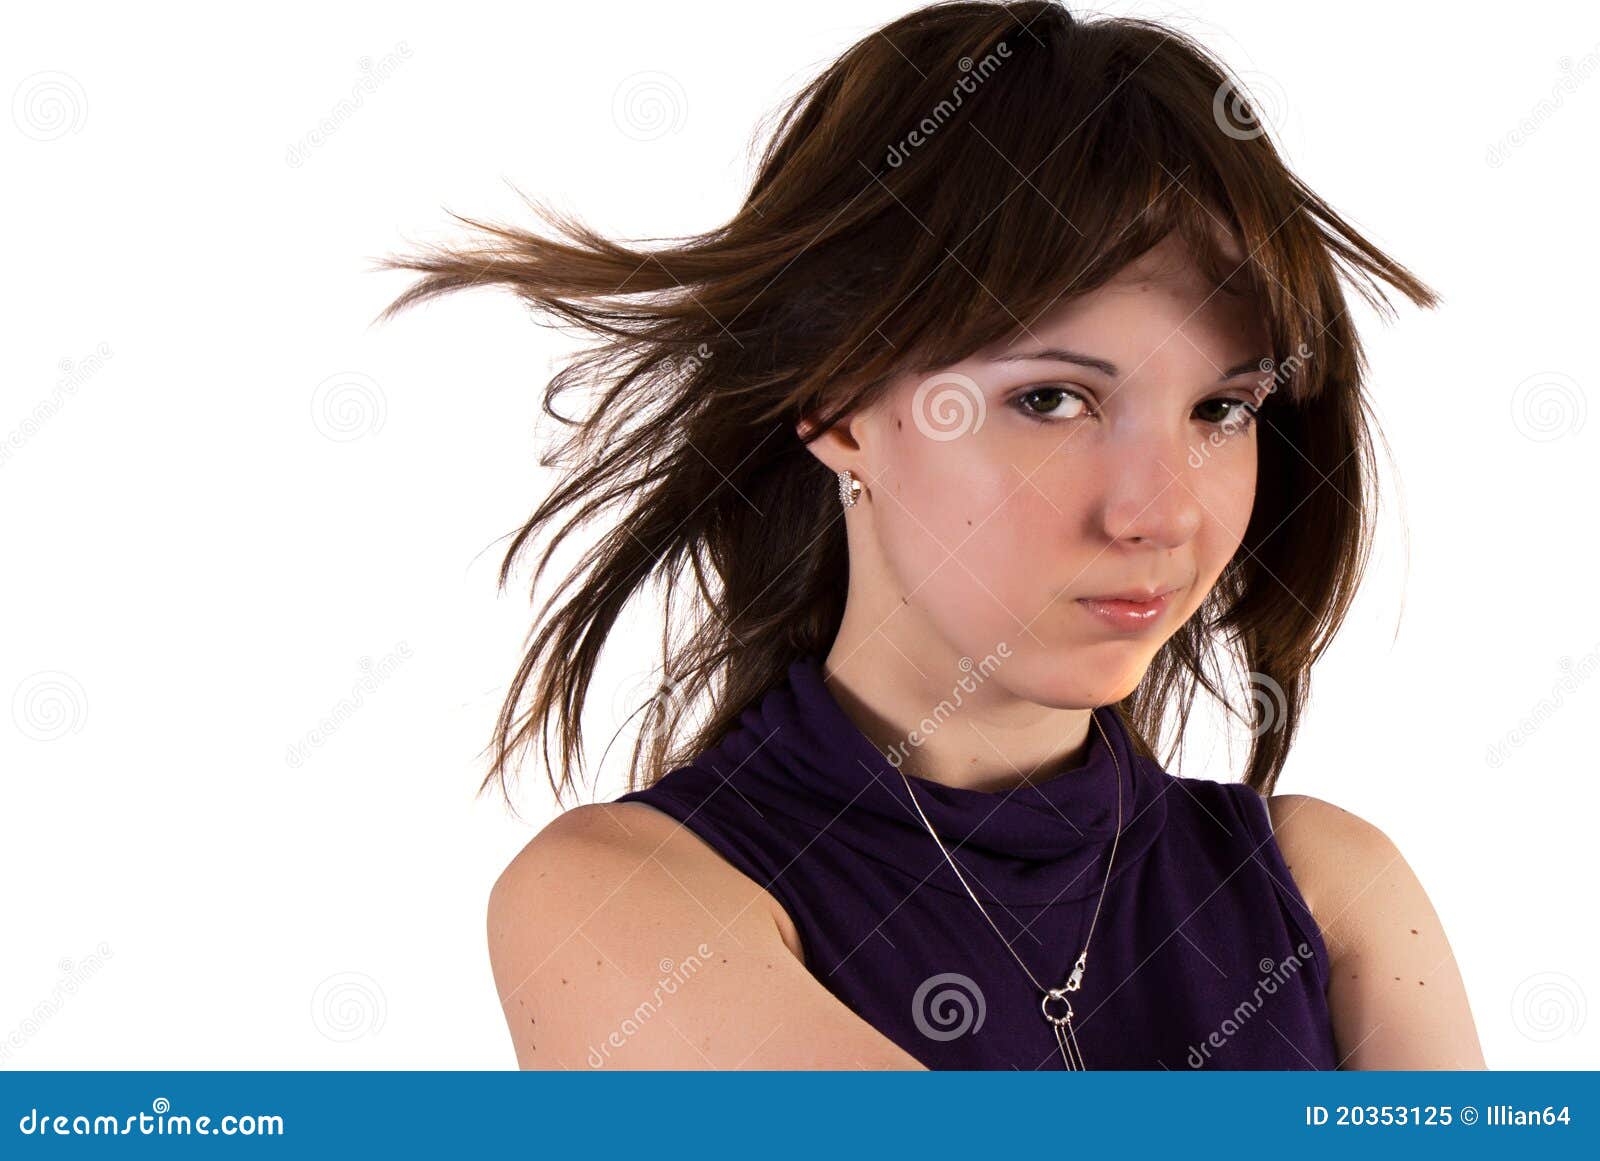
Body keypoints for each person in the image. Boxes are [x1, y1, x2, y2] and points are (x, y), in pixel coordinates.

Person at [376, 0, 1486, 1069]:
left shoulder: (1329, 890)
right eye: (1051, 400)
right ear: (836, 404)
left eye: (1221, 410)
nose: (1160, 512)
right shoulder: (621, 901)